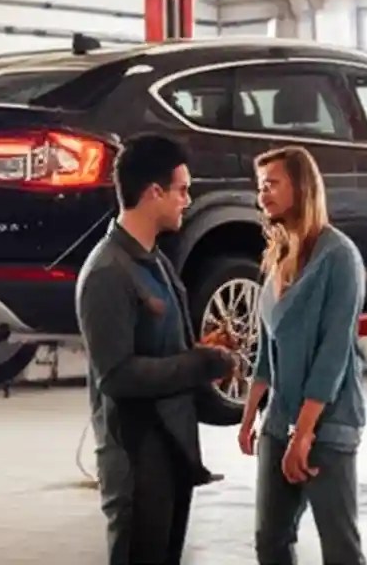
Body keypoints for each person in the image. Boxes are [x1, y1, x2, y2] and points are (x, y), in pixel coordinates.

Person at [75, 133, 243, 565]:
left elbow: (170, 350)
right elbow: (117, 376)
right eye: (183, 190)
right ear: (154, 193)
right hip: (135, 461)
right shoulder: (107, 273)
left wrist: (207, 359)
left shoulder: (157, 262)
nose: (188, 200)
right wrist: (200, 363)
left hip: (171, 453)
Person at [238, 145, 367, 565]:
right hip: (278, 424)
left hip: (326, 427)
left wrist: (305, 433)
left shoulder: (340, 257)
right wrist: (249, 416)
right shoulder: (278, 256)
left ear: (302, 187)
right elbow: (267, 349)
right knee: (270, 542)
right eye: (261, 187)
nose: (264, 195)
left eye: (272, 184)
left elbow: (333, 353)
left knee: (340, 549)